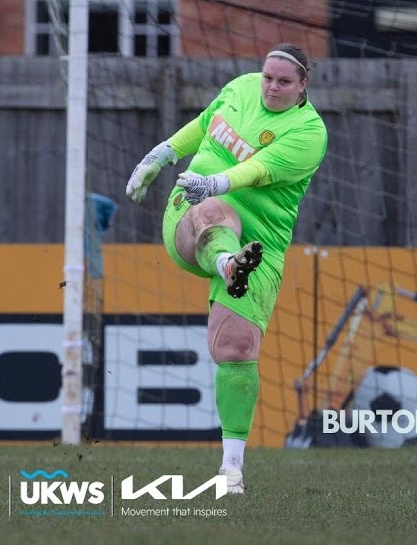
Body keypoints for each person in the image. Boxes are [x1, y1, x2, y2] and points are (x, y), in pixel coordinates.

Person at [126, 43, 328, 494]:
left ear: (303, 86)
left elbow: (256, 171)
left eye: (284, 82)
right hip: (190, 211)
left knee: (235, 348)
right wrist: (161, 155)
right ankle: (223, 261)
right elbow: (203, 126)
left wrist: (215, 180)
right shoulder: (238, 89)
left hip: (261, 245)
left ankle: (230, 471)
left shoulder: (308, 132)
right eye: (268, 78)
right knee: (217, 211)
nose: (272, 87)